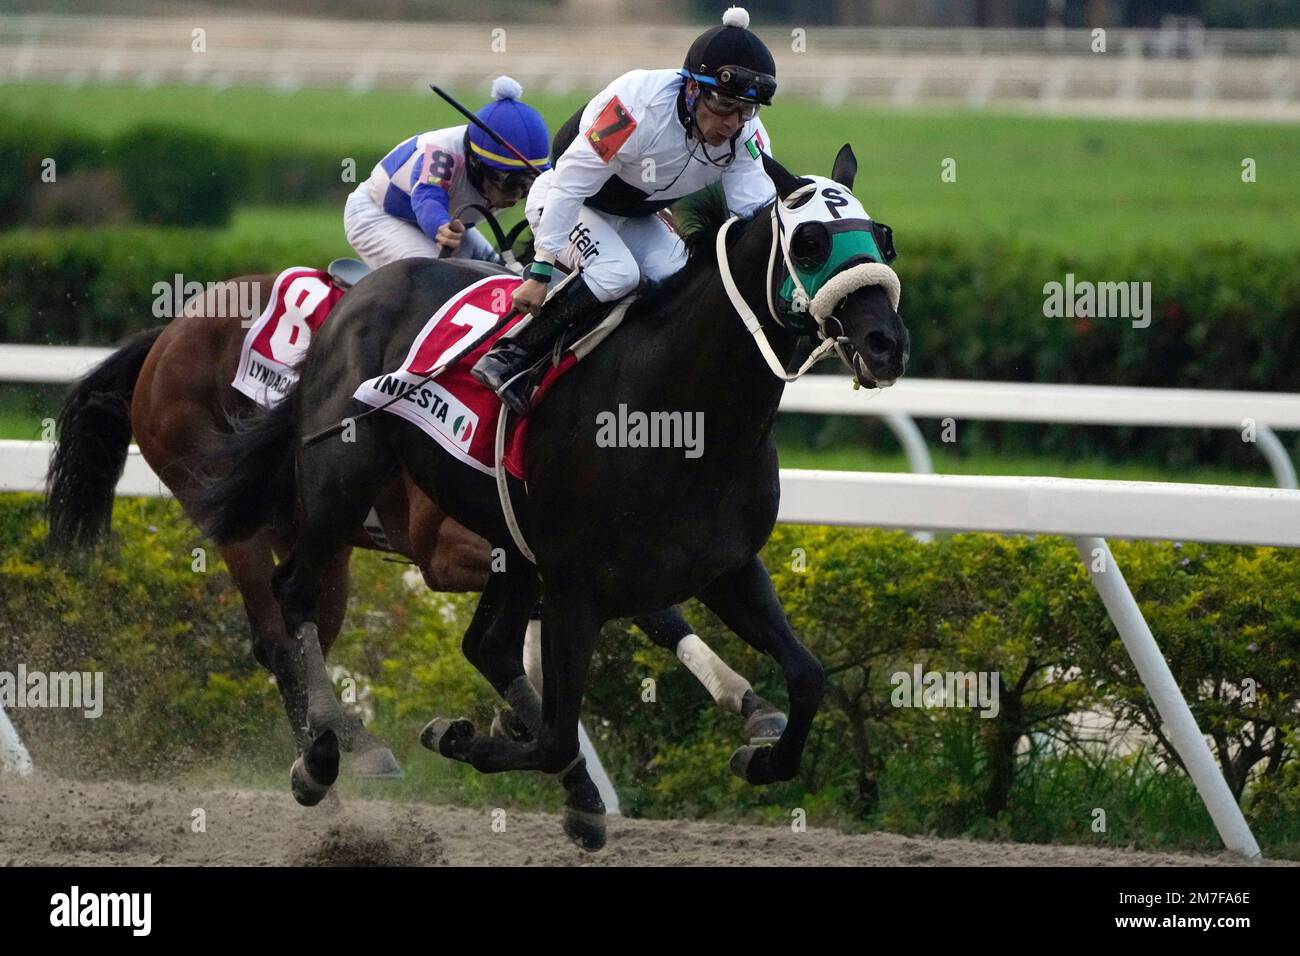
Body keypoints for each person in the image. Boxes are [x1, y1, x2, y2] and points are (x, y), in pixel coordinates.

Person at [471, 7, 778, 414]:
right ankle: (511, 355)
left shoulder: (744, 134)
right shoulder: (634, 106)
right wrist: (542, 267)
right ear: (691, 88)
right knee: (617, 273)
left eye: (745, 110)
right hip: (566, 200)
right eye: (723, 104)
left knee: (683, 281)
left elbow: (753, 214)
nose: (731, 123)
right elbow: (572, 182)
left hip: (634, 216)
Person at [344, 75, 550, 268]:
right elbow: (429, 199)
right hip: (377, 216)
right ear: (477, 164)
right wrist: (440, 226)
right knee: (435, 276)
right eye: (509, 181)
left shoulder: (532, 164)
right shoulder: (441, 154)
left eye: (527, 182)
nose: (516, 194)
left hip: (451, 221)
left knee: (496, 271)